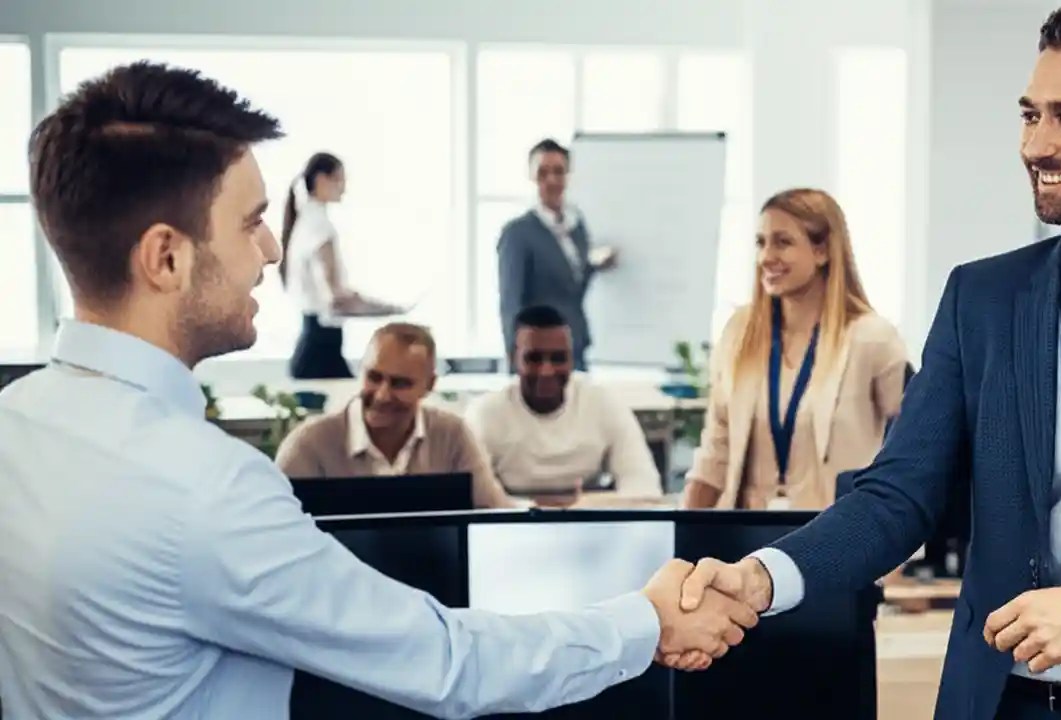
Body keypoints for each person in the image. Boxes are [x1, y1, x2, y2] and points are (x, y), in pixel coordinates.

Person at [0, 61, 756, 720]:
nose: (270, 251)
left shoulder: (15, 425)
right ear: (165, 257)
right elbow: (449, 664)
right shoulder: (204, 487)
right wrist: (644, 622)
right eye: (253, 223)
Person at [677, 2, 1061, 718]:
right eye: (1031, 116)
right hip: (1001, 701)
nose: (1038, 144)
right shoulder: (983, 300)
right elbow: (898, 496)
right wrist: (765, 577)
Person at [682, 188, 908, 511]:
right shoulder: (739, 334)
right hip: (743, 543)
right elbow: (715, 451)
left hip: (833, 542)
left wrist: (893, 555)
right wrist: (681, 543)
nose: (766, 257)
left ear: (823, 251)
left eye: (782, 242)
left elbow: (912, 456)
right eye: (760, 243)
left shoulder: (872, 339)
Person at [275, 322, 523, 509]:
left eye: (400, 383)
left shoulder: (452, 435)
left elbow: (493, 515)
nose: (382, 395)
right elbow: (276, 533)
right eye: (374, 377)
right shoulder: (309, 444)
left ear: (429, 385)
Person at [466, 304, 663, 505]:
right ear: (513, 359)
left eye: (558, 358)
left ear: (572, 359)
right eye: (534, 358)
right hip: (508, 528)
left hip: (590, 524)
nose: (546, 371)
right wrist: (545, 508)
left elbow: (644, 487)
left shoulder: (602, 402)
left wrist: (582, 506)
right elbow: (474, 496)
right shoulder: (485, 413)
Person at [497, 138, 616, 372]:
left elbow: (572, 288)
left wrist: (595, 267)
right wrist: (515, 357)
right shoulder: (518, 232)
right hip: (539, 355)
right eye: (543, 173)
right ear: (532, 177)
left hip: (575, 345)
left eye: (559, 172)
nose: (551, 180)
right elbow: (511, 302)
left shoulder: (577, 228)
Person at [280, 151, 401, 379]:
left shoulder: (305, 223)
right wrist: (388, 309)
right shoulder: (320, 228)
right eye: (339, 180)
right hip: (320, 352)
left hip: (316, 347)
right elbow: (336, 298)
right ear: (320, 180)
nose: (343, 188)